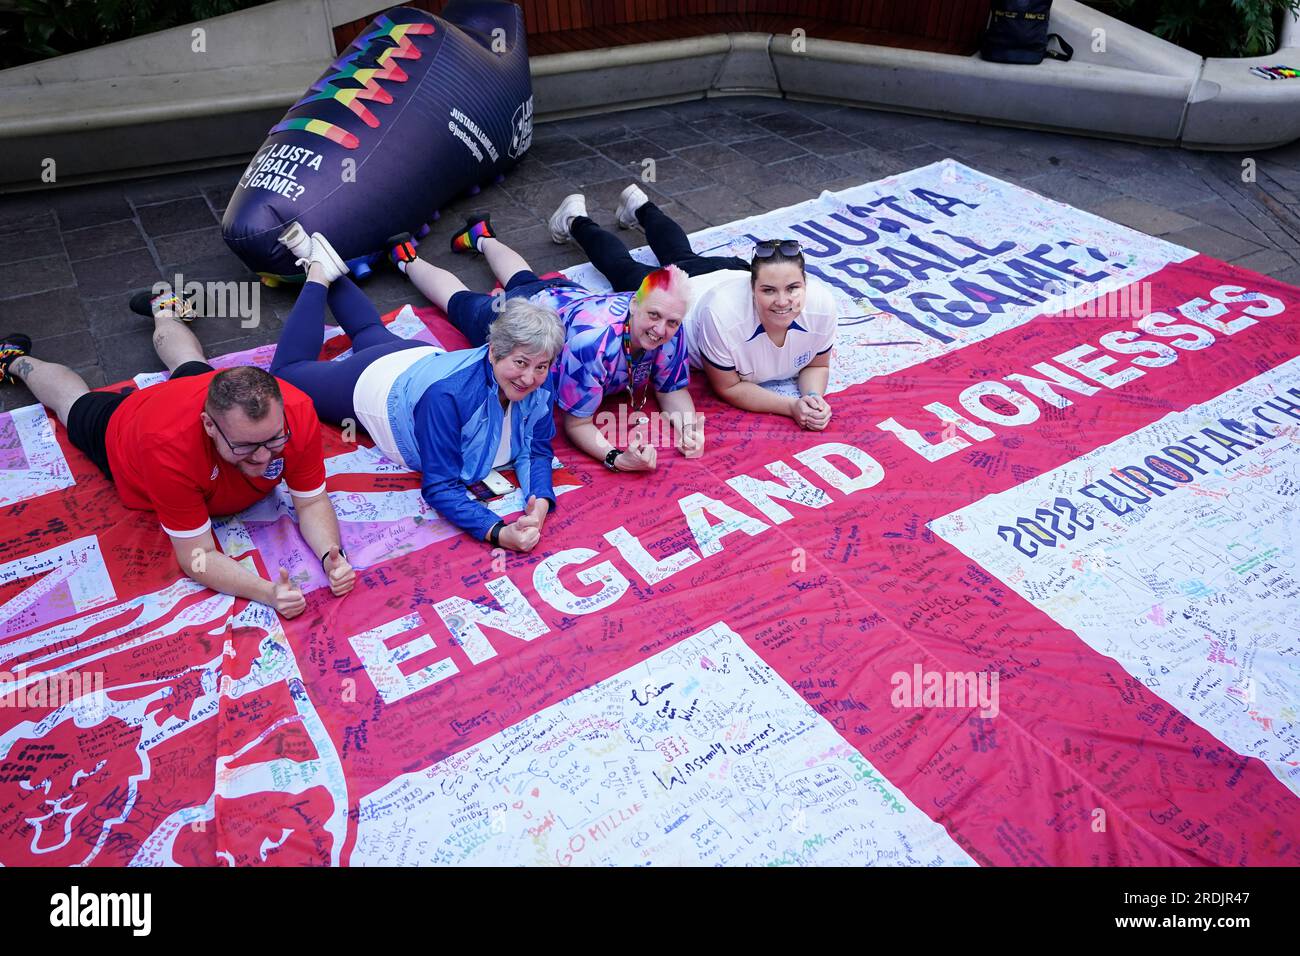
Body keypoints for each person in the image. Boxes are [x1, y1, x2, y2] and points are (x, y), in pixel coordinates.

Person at [0, 287, 356, 619]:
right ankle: (13, 360)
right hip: (125, 426)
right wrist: (267, 592)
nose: (264, 458)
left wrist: (331, 556)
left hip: (192, 393)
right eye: (245, 447)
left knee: (190, 363)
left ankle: (164, 308)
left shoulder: (296, 410)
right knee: (73, 404)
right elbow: (197, 557)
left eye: (274, 441)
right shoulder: (166, 449)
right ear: (210, 424)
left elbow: (310, 502)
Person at [269, 225, 565, 553]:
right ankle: (316, 274)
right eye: (520, 363)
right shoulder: (447, 397)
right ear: (494, 350)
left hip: (418, 359)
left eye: (540, 367)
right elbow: (440, 486)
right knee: (286, 374)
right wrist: (497, 532)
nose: (530, 377)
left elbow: (537, 449)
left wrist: (538, 506)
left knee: (368, 330)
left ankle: (322, 259)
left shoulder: (541, 376)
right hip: (376, 383)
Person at [390, 211, 705, 475]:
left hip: (559, 295)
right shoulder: (592, 345)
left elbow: (671, 388)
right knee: (459, 302)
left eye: (672, 322)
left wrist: (689, 429)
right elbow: (578, 423)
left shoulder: (667, 319)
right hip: (526, 321)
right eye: (654, 316)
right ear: (634, 305)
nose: (661, 330)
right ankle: (406, 259)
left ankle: (481, 236)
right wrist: (616, 458)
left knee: (524, 277)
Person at [551, 187, 836, 431]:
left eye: (793, 289)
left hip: (725, 271)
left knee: (681, 254)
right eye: (769, 290)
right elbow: (728, 387)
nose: (783, 301)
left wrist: (812, 397)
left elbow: (817, 363)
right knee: (623, 268)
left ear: (805, 285)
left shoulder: (821, 305)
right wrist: (791, 406)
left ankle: (640, 204)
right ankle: (575, 219)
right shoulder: (722, 316)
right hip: (687, 294)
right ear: (752, 288)